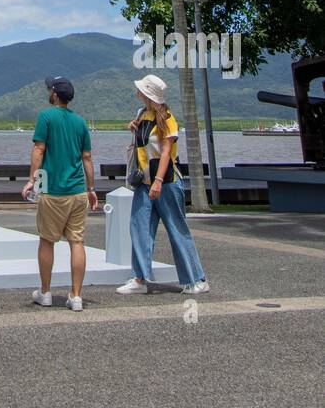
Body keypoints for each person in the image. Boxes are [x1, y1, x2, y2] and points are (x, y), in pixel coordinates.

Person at [116, 73, 210, 296]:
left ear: (148, 94)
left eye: (140, 89)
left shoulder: (167, 118)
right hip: (144, 182)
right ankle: (139, 278)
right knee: (139, 229)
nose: (137, 91)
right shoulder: (141, 114)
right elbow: (144, 146)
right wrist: (134, 128)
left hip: (166, 182)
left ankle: (197, 278)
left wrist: (158, 180)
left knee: (177, 229)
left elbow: (167, 152)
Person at [22, 76, 98, 312]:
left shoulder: (46, 117)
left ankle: (45, 292)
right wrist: (91, 189)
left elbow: (39, 149)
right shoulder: (80, 122)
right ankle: (76, 296)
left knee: (47, 240)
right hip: (77, 191)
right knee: (77, 241)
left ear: (54, 94)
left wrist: (32, 180)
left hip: (52, 190)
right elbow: (87, 158)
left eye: (49, 89)